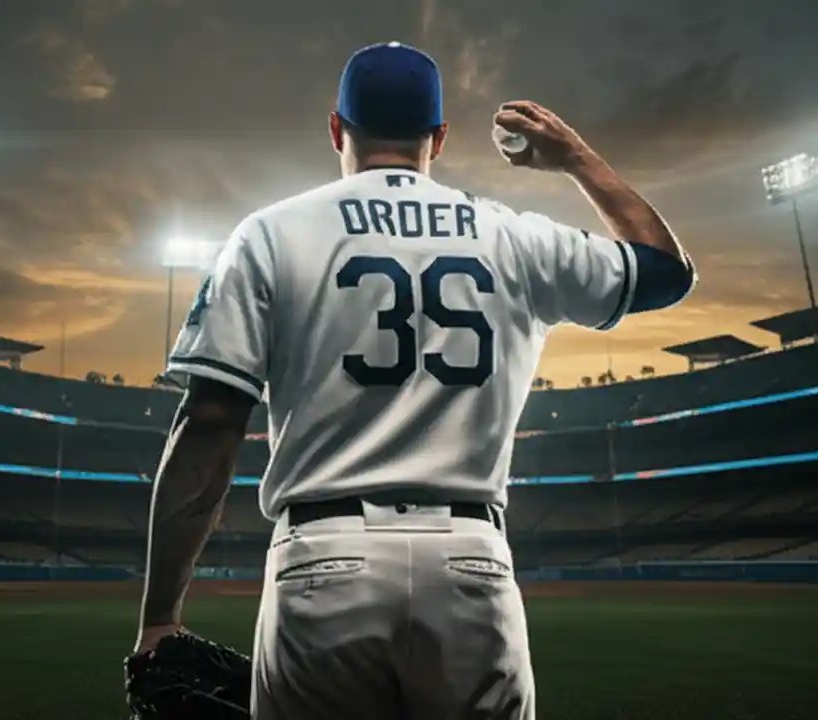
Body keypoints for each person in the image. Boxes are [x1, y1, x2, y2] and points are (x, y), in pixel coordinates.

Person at [130, 41, 694, 719]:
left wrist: (161, 614)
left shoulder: (271, 233)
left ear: (337, 129)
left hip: (322, 563)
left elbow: (212, 423)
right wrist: (573, 157)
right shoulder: (512, 237)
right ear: (441, 139)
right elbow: (664, 271)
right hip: (471, 563)